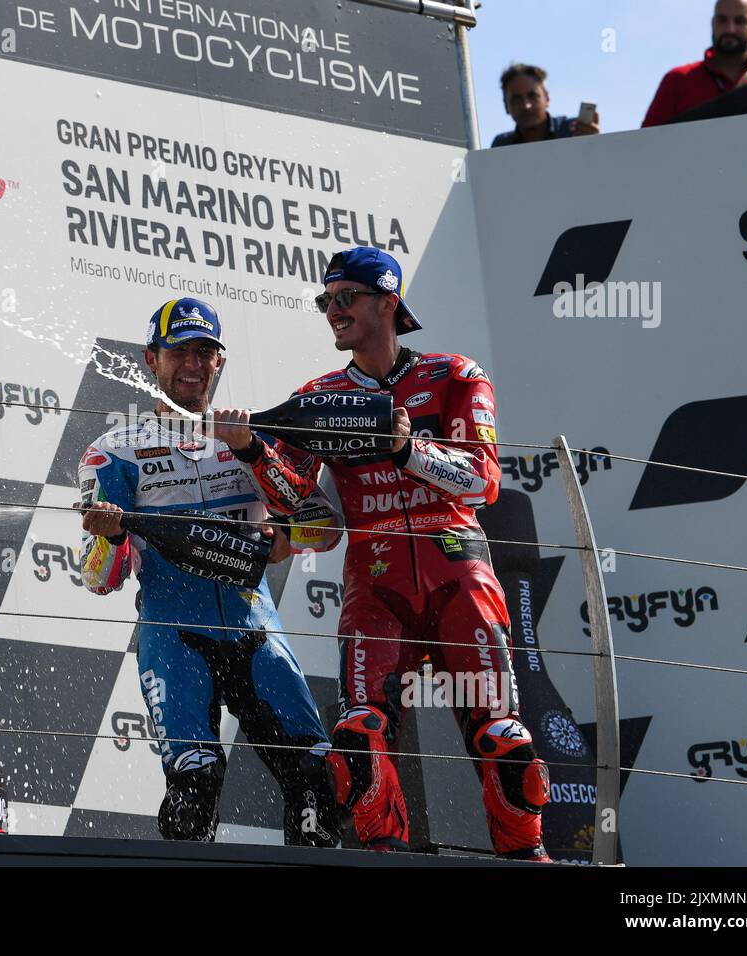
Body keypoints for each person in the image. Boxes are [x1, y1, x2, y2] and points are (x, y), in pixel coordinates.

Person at [220, 247, 551, 860]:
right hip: (375, 582)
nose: (332, 311)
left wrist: (407, 451)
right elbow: (306, 512)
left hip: (461, 573)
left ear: (388, 302)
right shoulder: (319, 395)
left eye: (345, 297)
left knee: (505, 741)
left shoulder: (456, 375)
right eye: (325, 301)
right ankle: (384, 856)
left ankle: (526, 856)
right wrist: (250, 452)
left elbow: (483, 482)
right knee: (357, 738)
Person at [78, 298, 341, 846]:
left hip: (254, 630)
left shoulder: (252, 436)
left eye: (205, 352)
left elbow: (323, 529)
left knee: (314, 775)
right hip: (175, 636)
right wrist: (111, 536)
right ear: (151, 359)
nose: (193, 364)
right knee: (193, 787)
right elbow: (99, 578)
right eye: (179, 352)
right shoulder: (114, 452)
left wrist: (273, 509)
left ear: (219, 362)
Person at [643, 0, 747, 127]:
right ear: (713, 23)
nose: (730, 29)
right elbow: (645, 143)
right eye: (722, 20)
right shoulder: (677, 81)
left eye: (740, 21)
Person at [490, 63, 598, 147]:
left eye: (533, 96)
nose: (526, 106)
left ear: (547, 98)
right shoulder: (501, 145)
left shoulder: (574, 131)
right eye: (517, 99)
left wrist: (596, 144)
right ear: (506, 106)